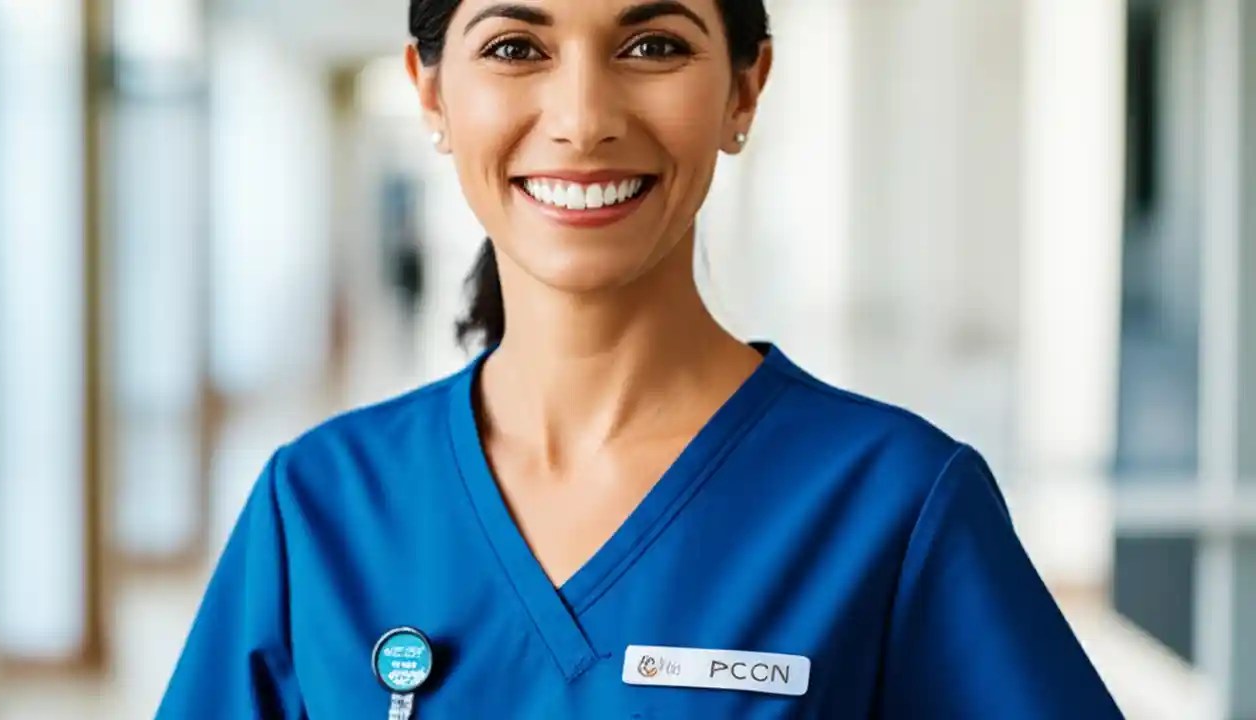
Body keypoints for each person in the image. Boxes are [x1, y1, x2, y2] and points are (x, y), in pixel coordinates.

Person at [157, 0, 1124, 717]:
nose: (584, 118)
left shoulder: (893, 506)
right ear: (432, 92)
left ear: (744, 89)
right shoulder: (319, 508)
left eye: (653, 45)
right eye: (515, 48)